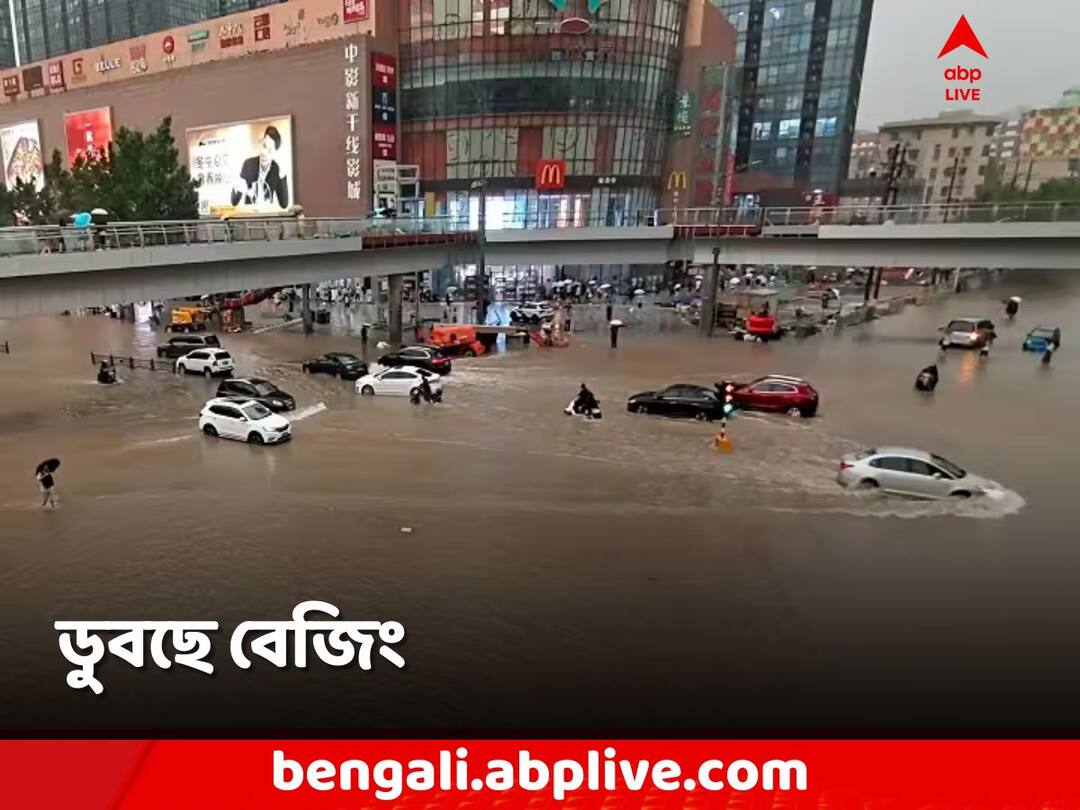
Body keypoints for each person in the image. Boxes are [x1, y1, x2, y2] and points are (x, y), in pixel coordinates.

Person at [231, 126, 289, 209]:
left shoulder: (277, 169)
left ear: (275, 153)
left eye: (270, 151)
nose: (264, 153)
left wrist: (282, 174)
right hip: (249, 214)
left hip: (267, 215)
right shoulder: (248, 164)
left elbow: (284, 204)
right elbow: (234, 201)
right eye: (264, 146)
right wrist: (237, 187)